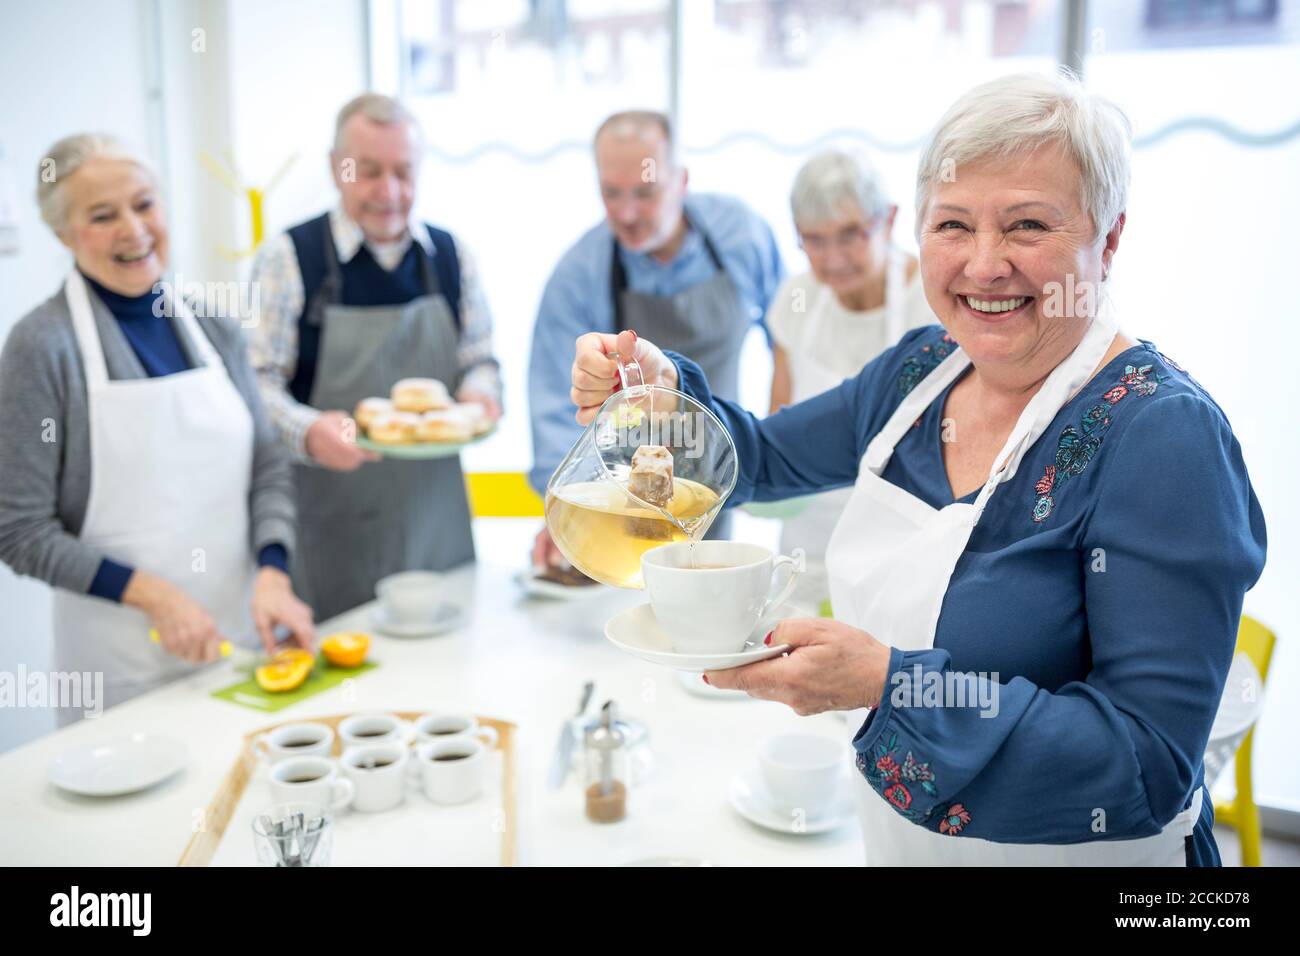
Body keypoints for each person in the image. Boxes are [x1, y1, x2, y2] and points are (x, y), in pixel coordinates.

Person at [565, 73, 1267, 865]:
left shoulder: (1163, 436)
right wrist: (664, 394)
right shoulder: (924, 371)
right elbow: (756, 459)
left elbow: (1148, 765)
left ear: (1107, 240)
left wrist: (892, 689)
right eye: (954, 225)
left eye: (1028, 224)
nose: (984, 263)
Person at [0, 134, 313, 724]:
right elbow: (18, 531)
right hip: (118, 670)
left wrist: (273, 567)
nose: (133, 229)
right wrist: (156, 596)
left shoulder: (213, 326)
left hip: (241, 644)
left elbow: (267, 462)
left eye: (144, 204)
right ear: (63, 235)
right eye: (102, 215)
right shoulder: (41, 346)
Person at [248, 93, 502, 621]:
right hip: (333, 529)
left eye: (403, 173)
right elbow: (256, 387)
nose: (389, 192)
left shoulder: (452, 257)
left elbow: (480, 359)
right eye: (368, 172)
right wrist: (308, 429)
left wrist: (481, 391)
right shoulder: (289, 259)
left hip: (437, 527)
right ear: (335, 169)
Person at [528, 110, 784, 571]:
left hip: (719, 472)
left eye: (645, 193)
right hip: (621, 501)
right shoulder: (578, 274)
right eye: (611, 194)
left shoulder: (741, 235)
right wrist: (560, 509)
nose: (626, 214)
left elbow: (788, 337)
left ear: (681, 180)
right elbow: (551, 400)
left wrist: (771, 444)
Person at [765, 150, 933, 603]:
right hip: (807, 545)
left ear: (890, 220)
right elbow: (778, 424)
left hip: (899, 556)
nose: (833, 257)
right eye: (814, 240)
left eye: (850, 235)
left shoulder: (933, 301)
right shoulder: (796, 300)